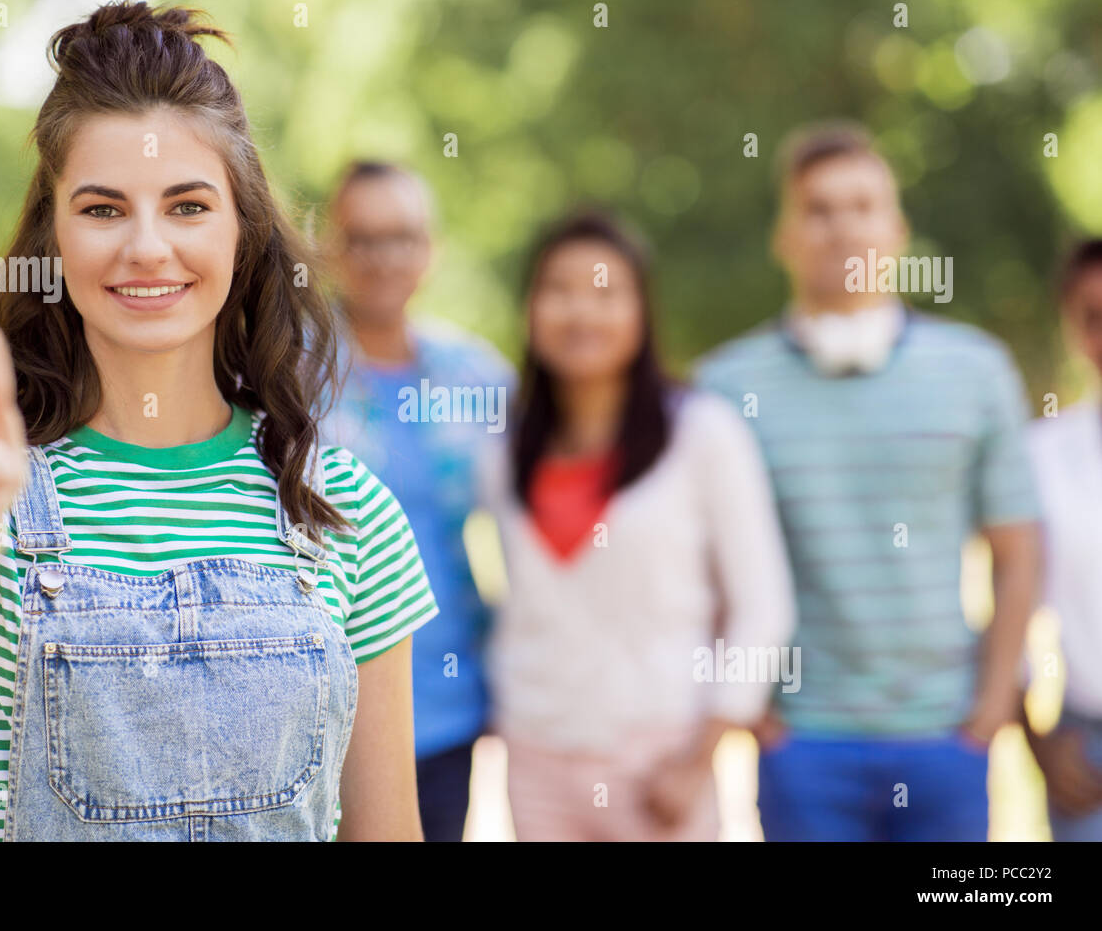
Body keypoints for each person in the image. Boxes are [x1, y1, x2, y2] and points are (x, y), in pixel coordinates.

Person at [0, 2, 438, 842]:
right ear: (52, 238)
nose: (147, 247)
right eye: (101, 209)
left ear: (244, 231)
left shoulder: (349, 511)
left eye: (188, 206)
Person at [695, 121, 1042, 841]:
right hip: (803, 743)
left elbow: (1018, 548)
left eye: (862, 206)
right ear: (783, 237)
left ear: (897, 228)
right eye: (817, 209)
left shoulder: (977, 372)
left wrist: (992, 702)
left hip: (946, 737)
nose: (841, 227)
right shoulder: (724, 388)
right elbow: (696, 561)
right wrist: (753, 710)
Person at [480, 209, 796, 841]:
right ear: (531, 309)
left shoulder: (704, 434)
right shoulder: (501, 449)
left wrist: (701, 755)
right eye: (558, 290)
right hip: (536, 756)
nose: (580, 312)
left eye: (605, 292)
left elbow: (763, 605)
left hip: (663, 760)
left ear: (642, 311)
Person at [318, 160, 515, 841]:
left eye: (401, 236)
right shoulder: (281, 374)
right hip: (322, 712)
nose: (383, 257)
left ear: (429, 249)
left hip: (449, 708)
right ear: (328, 247)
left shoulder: (479, 375)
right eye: (362, 238)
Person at [1023, 239, 1102, 840]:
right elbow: (1011, 600)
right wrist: (1038, 740)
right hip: (1086, 751)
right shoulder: (1042, 456)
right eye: (1093, 318)